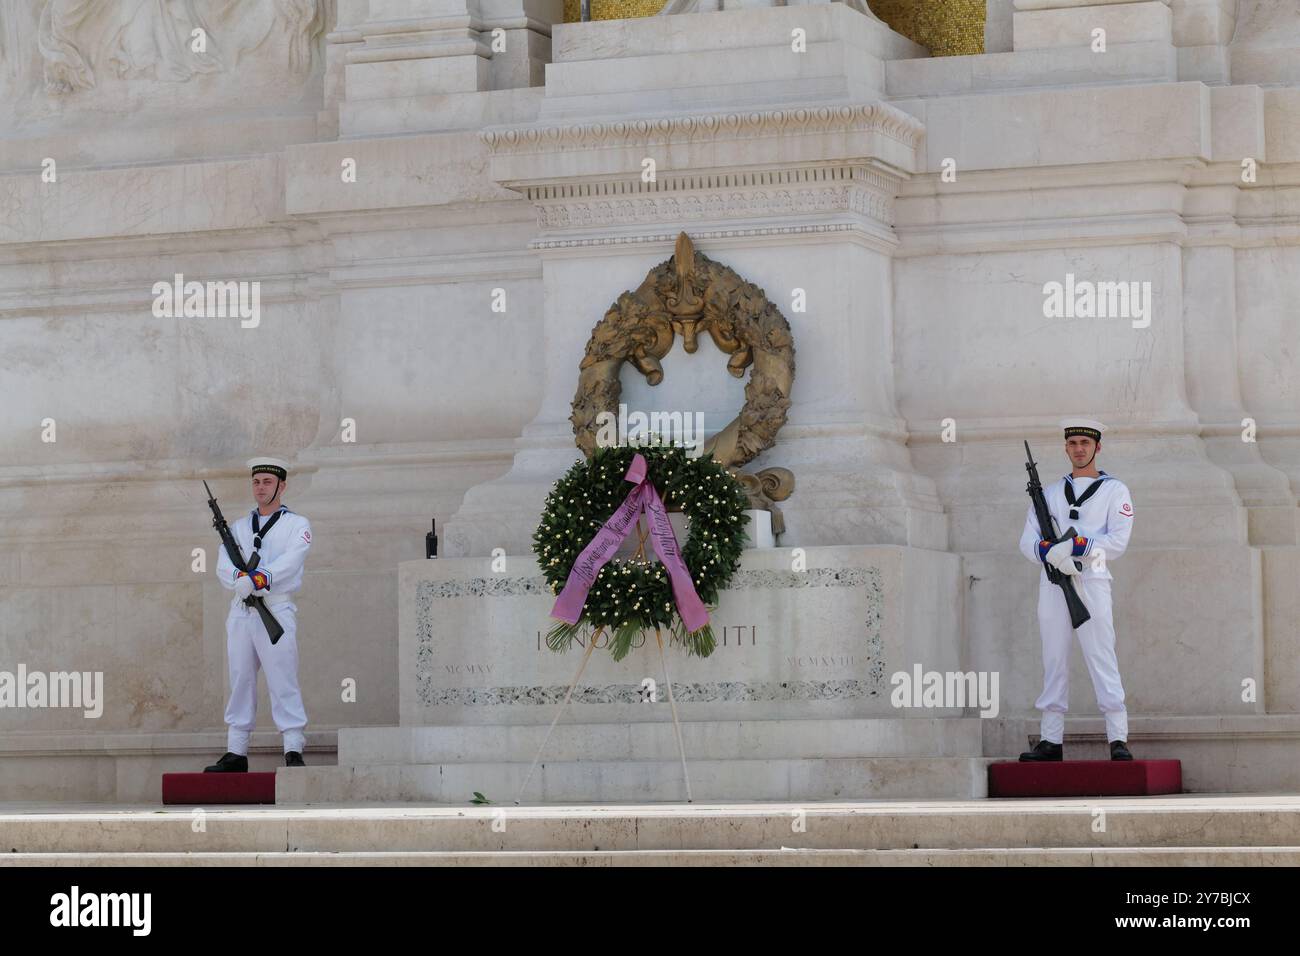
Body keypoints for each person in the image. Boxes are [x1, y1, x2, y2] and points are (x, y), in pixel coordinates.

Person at [1017, 420, 1135, 762]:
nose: (1079, 449)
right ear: (1066, 448)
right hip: (1054, 584)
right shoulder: (1051, 493)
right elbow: (1027, 539)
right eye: (1073, 443)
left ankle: (1118, 738)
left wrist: (1076, 546)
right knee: (1054, 658)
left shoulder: (1116, 491)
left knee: (1102, 656)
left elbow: (1117, 542)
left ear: (1097, 447)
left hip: (1093, 581)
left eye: (1085, 442)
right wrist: (1047, 552)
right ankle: (1051, 740)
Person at [204, 457, 312, 771]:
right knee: (240, 678)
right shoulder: (238, 527)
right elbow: (224, 563)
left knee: (283, 678)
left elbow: (291, 562)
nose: (260, 488)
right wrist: (239, 580)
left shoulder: (297, 525)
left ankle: (293, 746)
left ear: (282, 485)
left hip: (275, 608)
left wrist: (258, 579)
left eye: (266, 481)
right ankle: (236, 750)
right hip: (241, 612)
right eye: (256, 482)